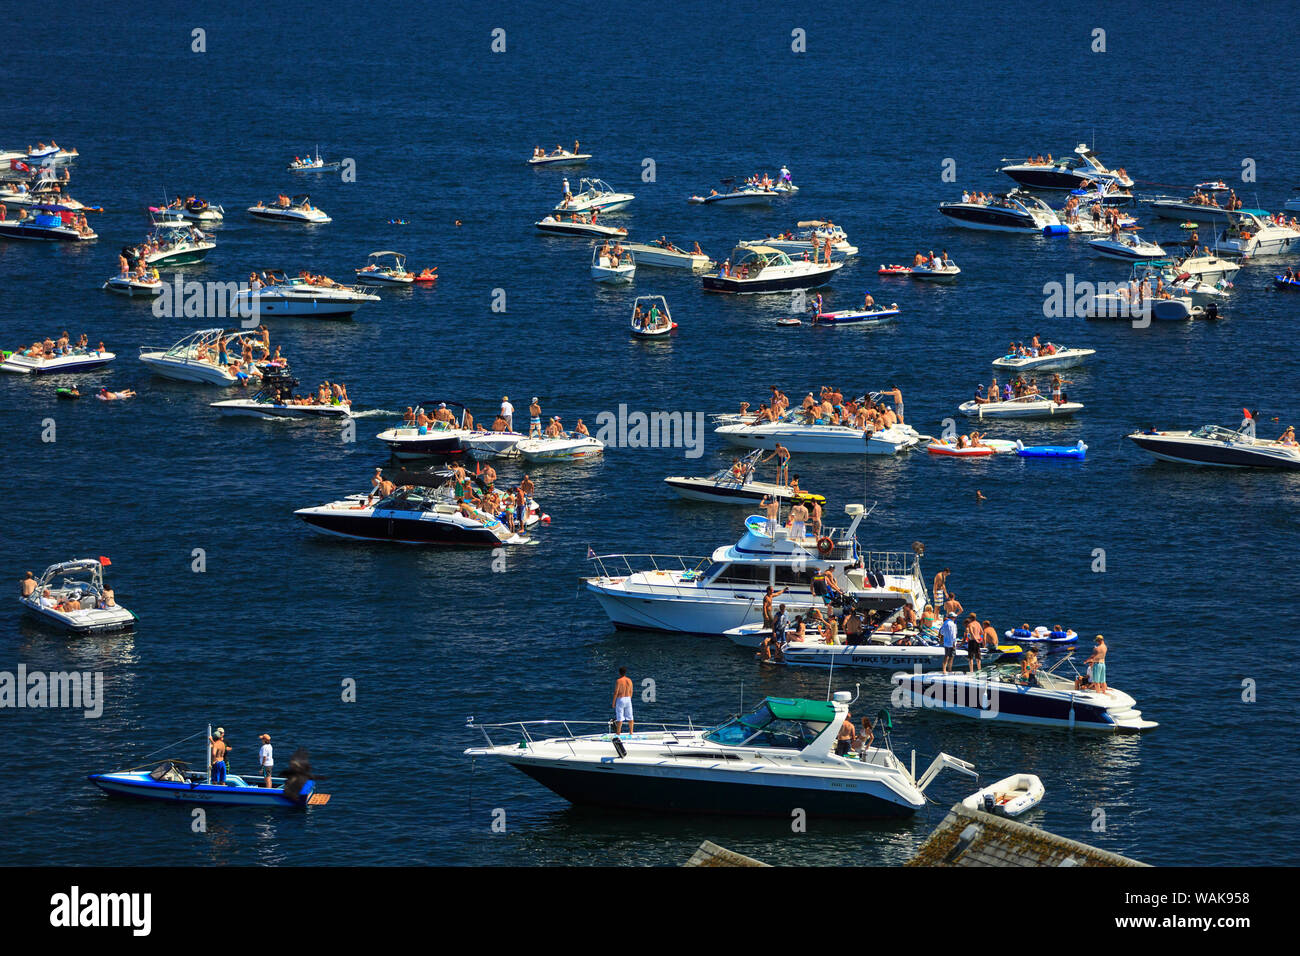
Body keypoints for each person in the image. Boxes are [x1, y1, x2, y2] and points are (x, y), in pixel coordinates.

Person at [612, 666, 634, 734]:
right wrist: (629, 698)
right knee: (630, 716)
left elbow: (616, 692)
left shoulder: (619, 681)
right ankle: (631, 732)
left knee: (620, 717)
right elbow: (631, 691)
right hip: (628, 699)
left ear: (619, 673)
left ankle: (618, 732)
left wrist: (613, 703)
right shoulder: (629, 680)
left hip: (620, 699)